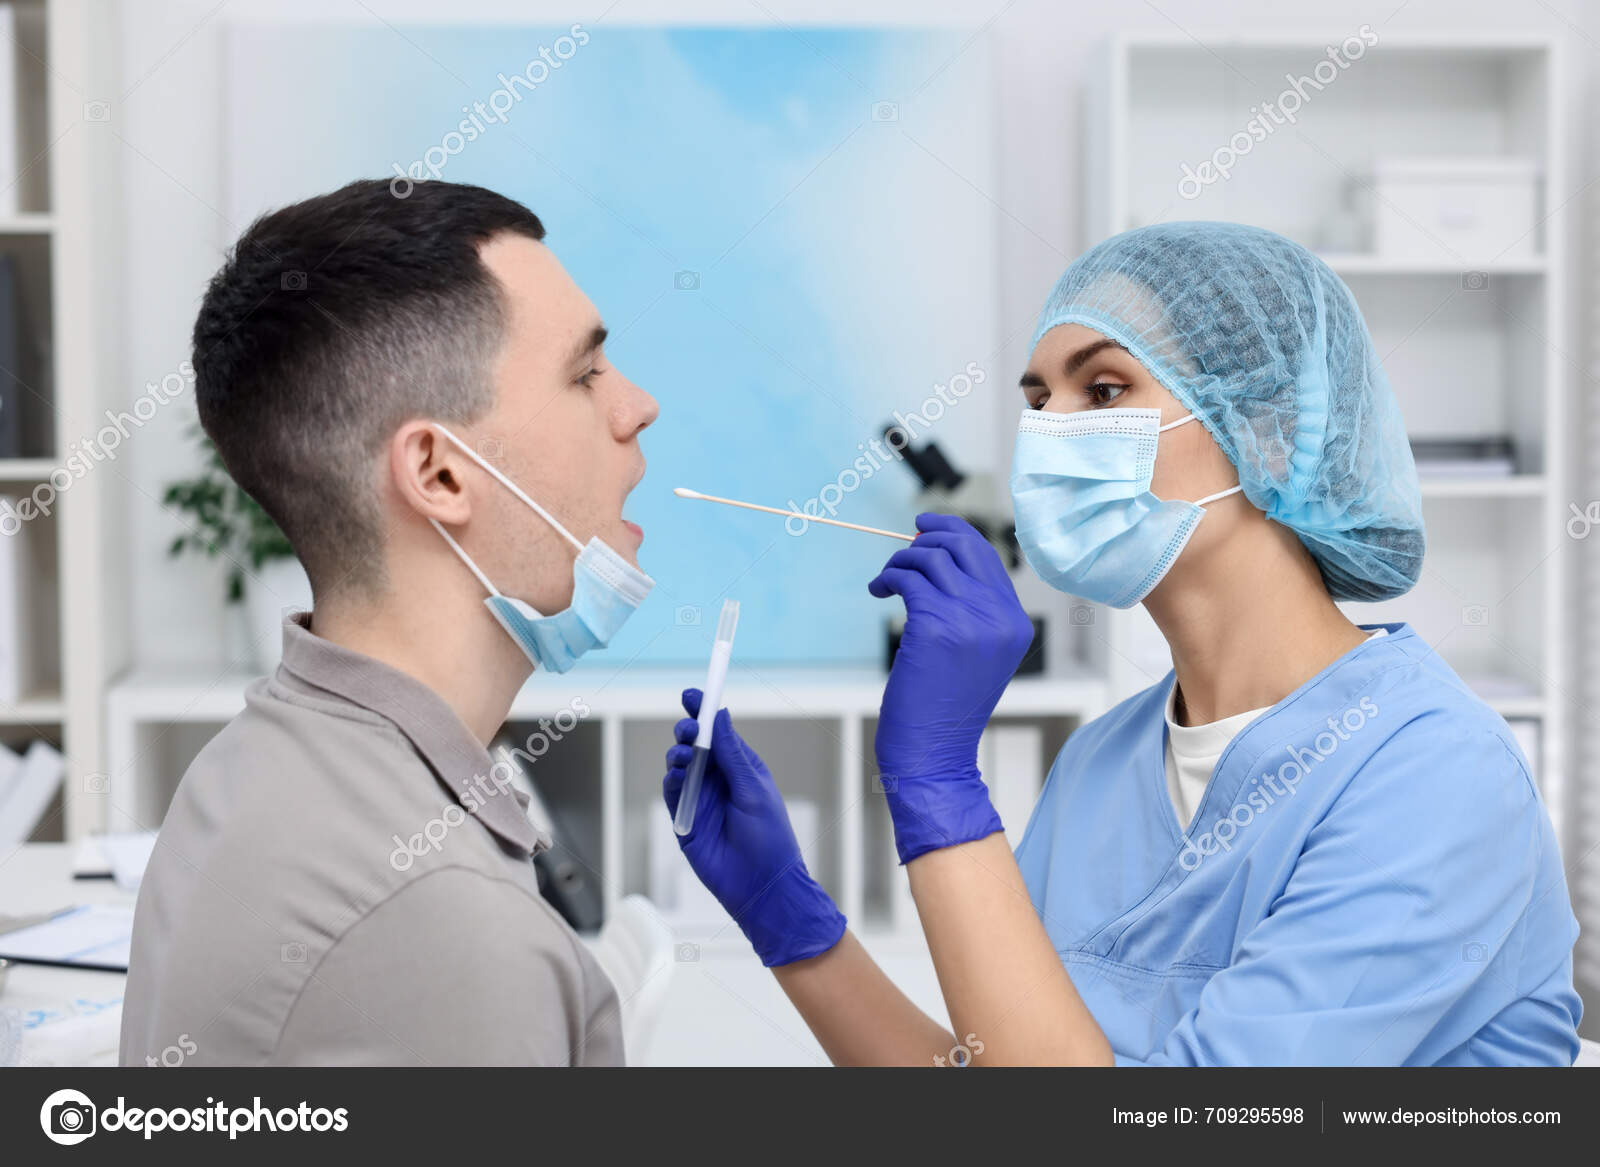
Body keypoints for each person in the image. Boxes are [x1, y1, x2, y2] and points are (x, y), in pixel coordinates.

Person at [662, 221, 1582, 1066]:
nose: (1047, 433)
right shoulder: (1104, 762)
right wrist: (791, 918)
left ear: (1267, 433)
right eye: (1038, 398)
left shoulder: (1431, 774)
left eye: (1103, 390)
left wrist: (938, 782)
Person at [121, 180, 657, 1065]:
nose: (636, 405)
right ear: (441, 475)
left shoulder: (245, 765)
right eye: (585, 372)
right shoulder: (450, 927)